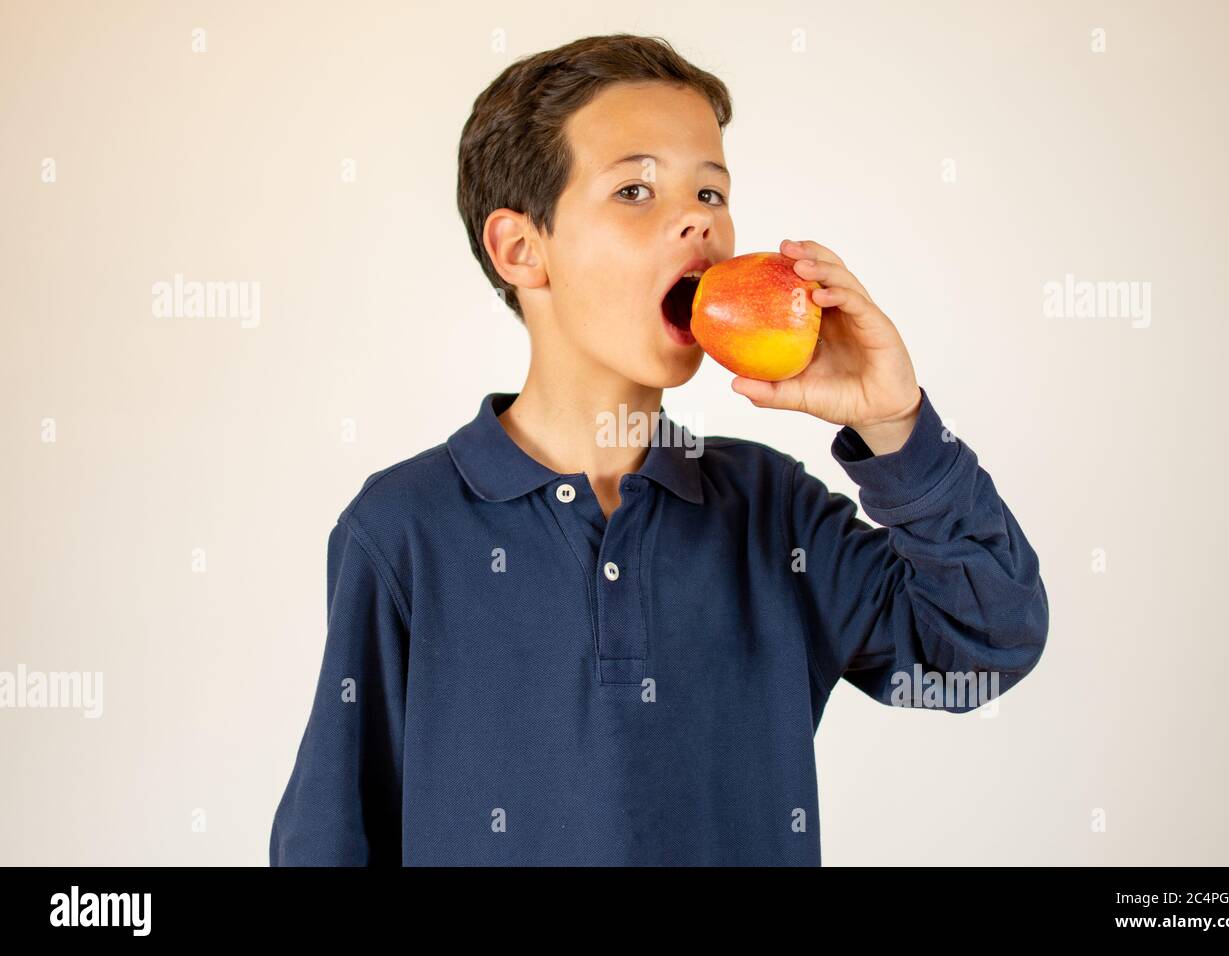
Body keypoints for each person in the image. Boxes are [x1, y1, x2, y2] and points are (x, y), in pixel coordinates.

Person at [269, 33, 1049, 866]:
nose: (698, 220)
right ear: (520, 249)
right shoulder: (401, 530)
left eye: (712, 191)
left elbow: (983, 644)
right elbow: (331, 834)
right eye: (635, 189)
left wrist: (896, 423)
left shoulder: (770, 509)